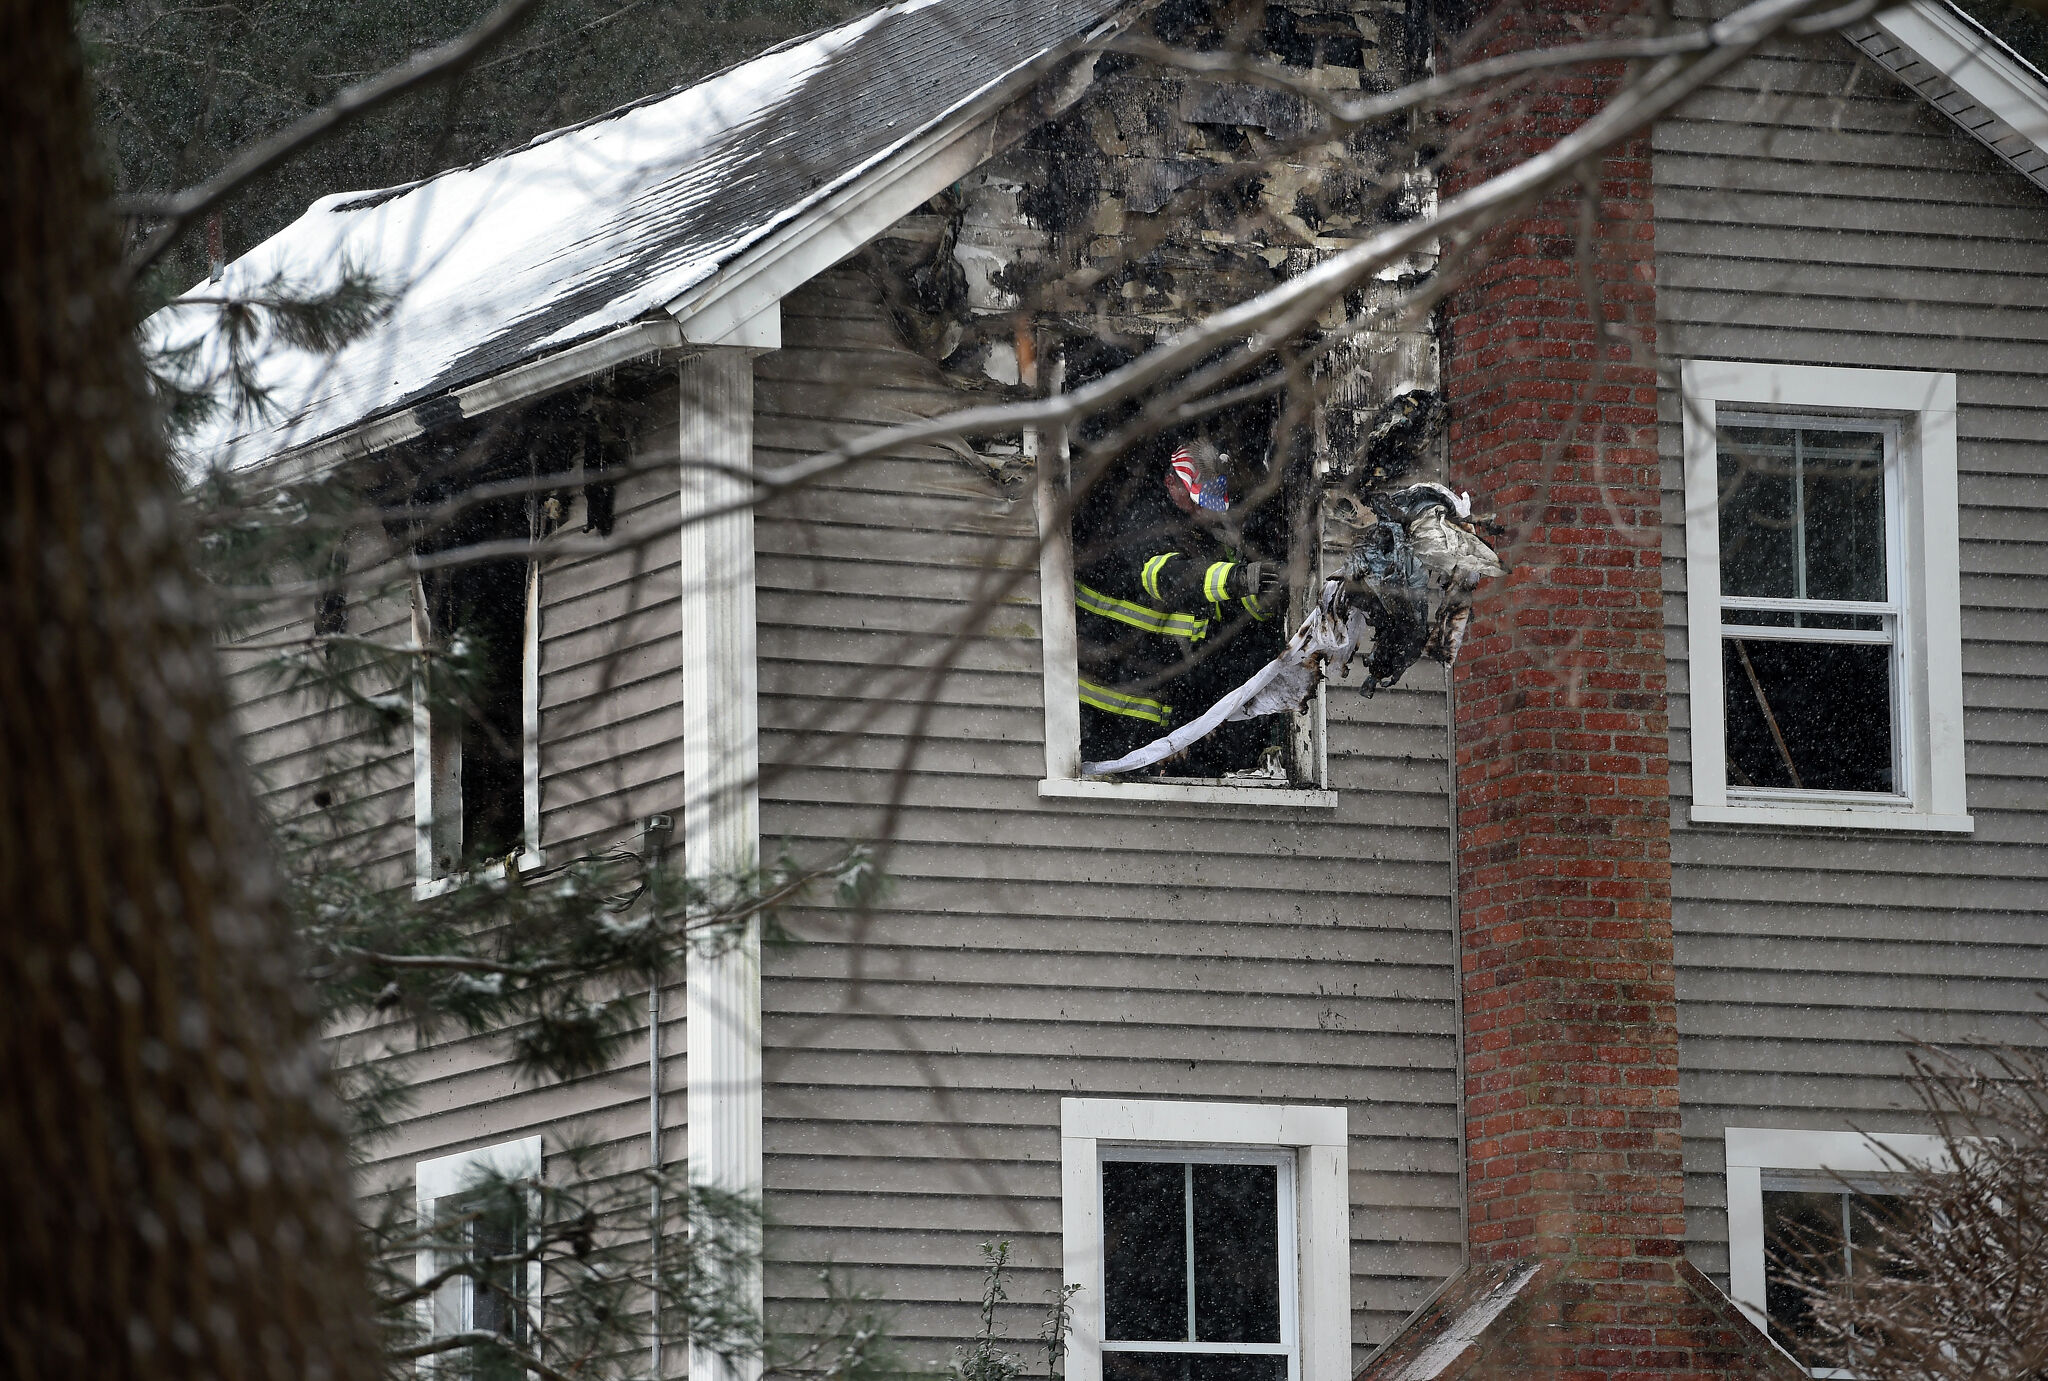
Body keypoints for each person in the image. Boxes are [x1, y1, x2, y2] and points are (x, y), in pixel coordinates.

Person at [1072, 437, 1285, 770]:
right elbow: (1167, 577)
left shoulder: (1200, 532)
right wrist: (1236, 579)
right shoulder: (1141, 519)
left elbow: (1217, 622)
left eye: (1209, 503)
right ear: (1171, 482)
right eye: (1195, 501)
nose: (1202, 511)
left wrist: (1263, 600)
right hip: (1100, 701)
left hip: (1148, 708)